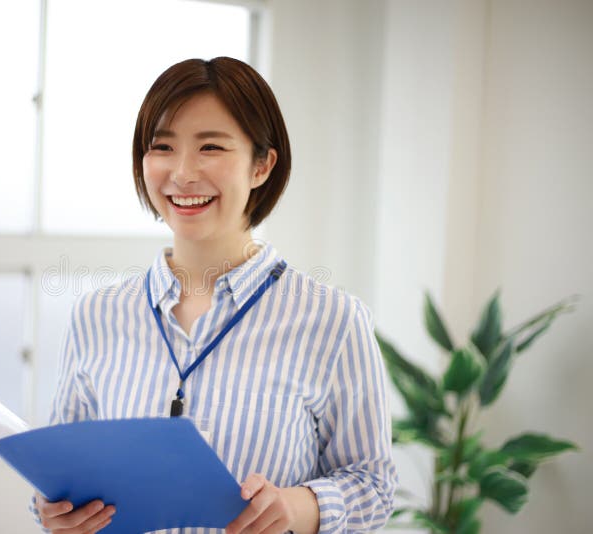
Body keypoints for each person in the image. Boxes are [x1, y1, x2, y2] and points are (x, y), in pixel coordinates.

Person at [32, 56, 396, 534]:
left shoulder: (332, 320)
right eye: (162, 146)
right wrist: (50, 510)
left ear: (262, 165)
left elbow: (374, 486)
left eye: (211, 147)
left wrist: (298, 506)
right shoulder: (96, 315)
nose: (181, 173)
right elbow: (59, 478)